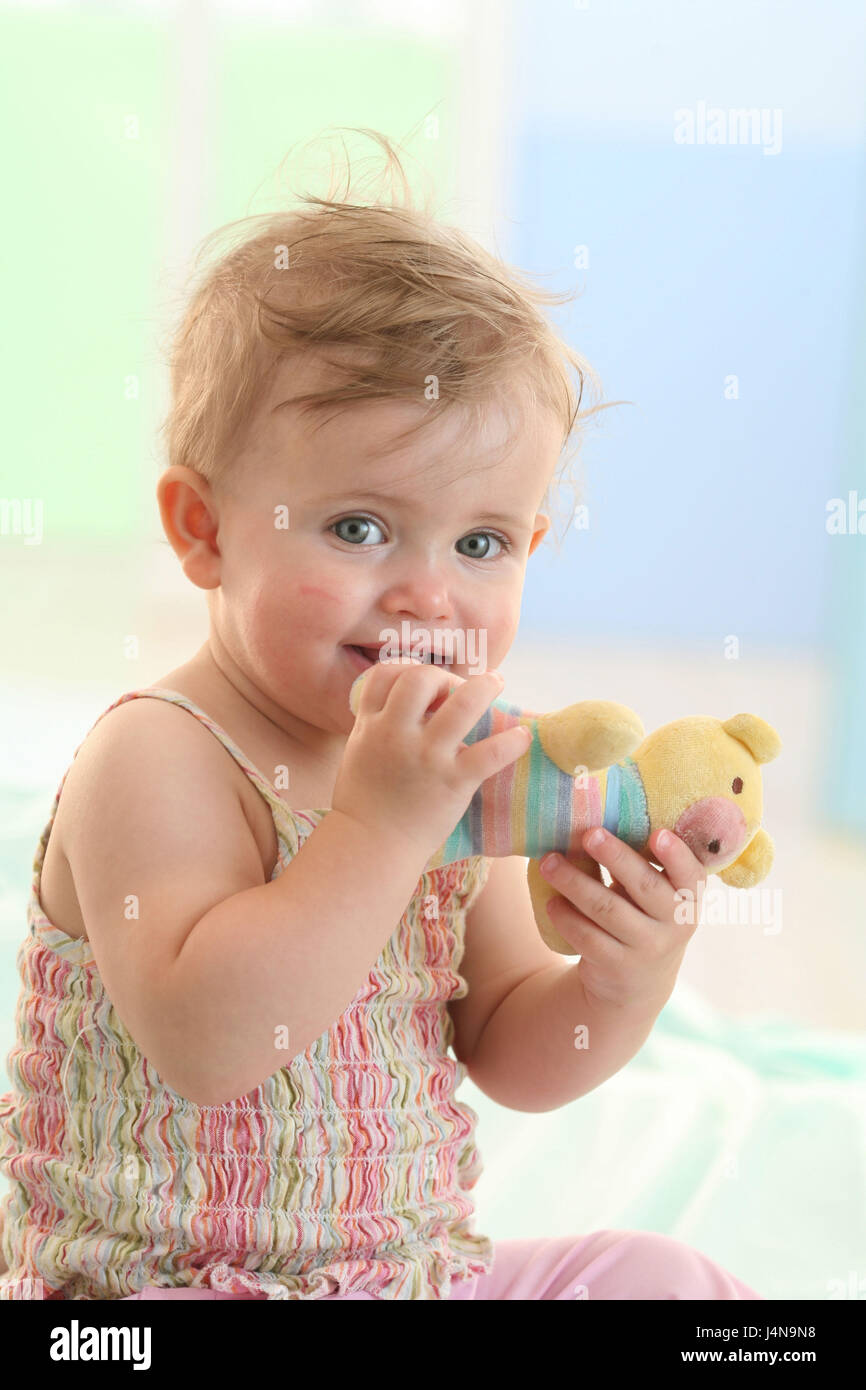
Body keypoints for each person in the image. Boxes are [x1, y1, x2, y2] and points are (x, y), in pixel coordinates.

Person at [0, 131, 762, 1301]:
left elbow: (508, 1040)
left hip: (404, 1276)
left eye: (480, 543)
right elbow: (212, 1048)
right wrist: (378, 831)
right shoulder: (157, 756)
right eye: (358, 528)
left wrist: (616, 986)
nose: (429, 592)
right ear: (203, 529)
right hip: (152, 1294)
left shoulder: (457, 758)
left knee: (663, 1282)